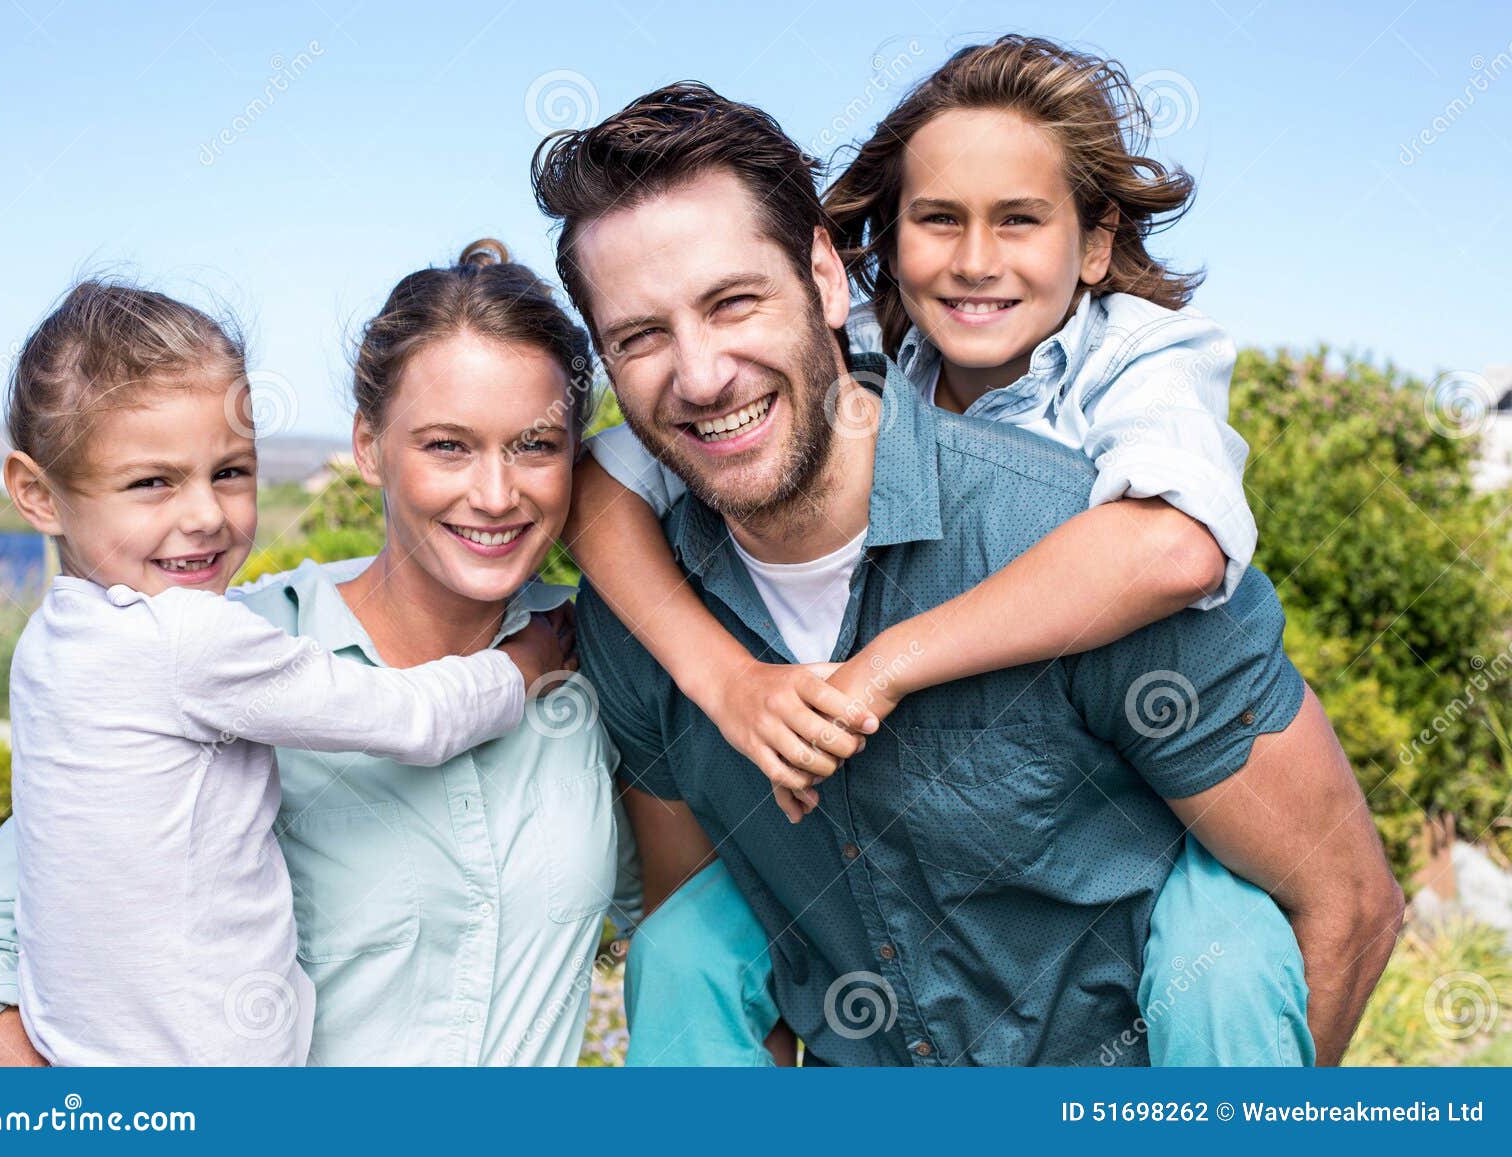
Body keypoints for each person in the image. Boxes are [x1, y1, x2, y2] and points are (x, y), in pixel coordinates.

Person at [533, 79, 1404, 1066]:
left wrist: (887, 662)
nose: (697, 373)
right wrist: (717, 675)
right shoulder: (644, 609)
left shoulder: (1096, 540)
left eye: (733, 300)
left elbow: (1347, 906)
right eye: (638, 336)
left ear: (823, 275)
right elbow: (728, 973)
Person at [0, 242, 638, 1067]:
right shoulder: (217, 648)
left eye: (536, 445)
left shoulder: (611, 660)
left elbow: (685, 911)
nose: (497, 493)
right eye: (446, 445)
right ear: (367, 445)